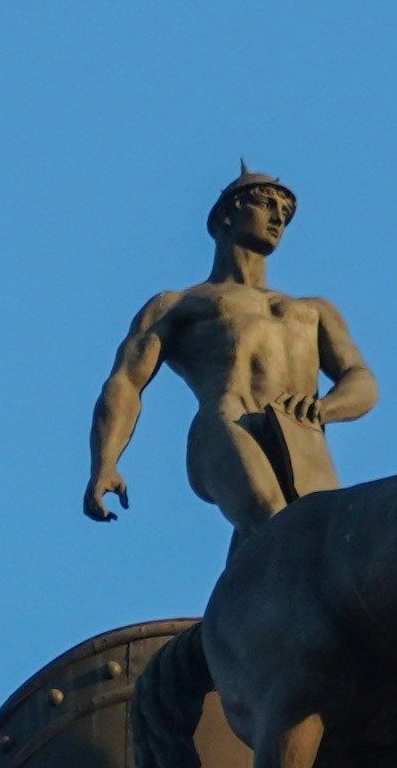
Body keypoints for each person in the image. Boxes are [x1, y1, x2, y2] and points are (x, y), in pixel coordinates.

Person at [85, 171, 378, 527]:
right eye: (266, 204)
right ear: (228, 214)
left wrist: (324, 408)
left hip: (300, 437)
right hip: (225, 421)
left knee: (322, 540)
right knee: (273, 520)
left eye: (285, 213)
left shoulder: (314, 310)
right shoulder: (179, 305)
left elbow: (360, 379)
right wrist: (105, 464)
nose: (278, 219)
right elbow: (125, 383)